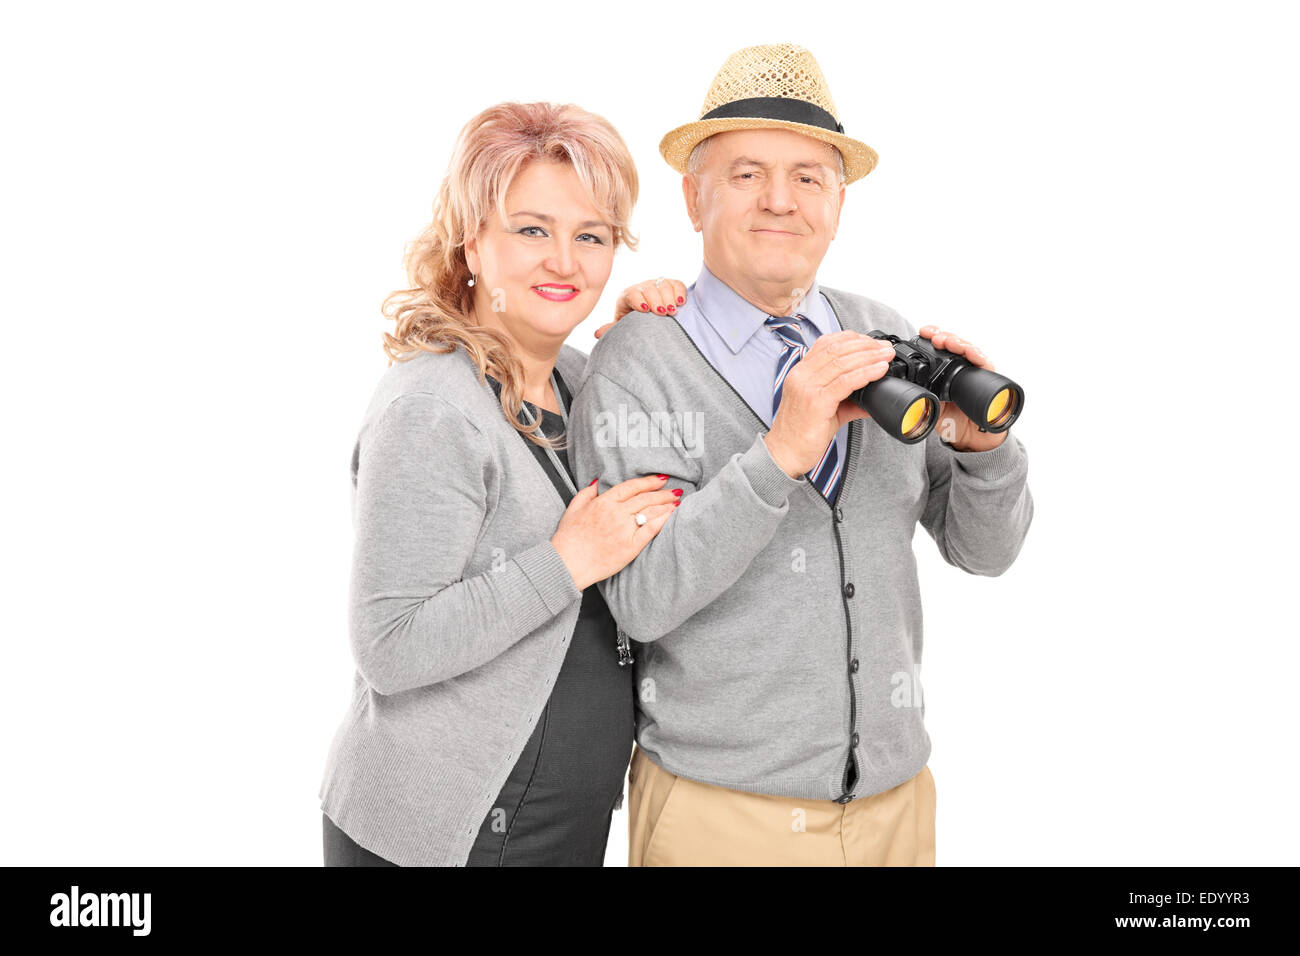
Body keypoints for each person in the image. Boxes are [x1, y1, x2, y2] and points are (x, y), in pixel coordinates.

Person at [568, 43, 1035, 866]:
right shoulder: (639, 360)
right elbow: (639, 601)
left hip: (896, 802)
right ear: (693, 197)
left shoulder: (878, 331)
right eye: (747, 173)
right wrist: (780, 451)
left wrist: (985, 453)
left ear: (839, 202)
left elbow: (984, 553)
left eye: (809, 177)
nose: (780, 201)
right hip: (722, 812)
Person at [318, 101, 682, 867]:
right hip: (439, 838)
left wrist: (652, 351)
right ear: (471, 240)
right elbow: (389, 645)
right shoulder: (433, 407)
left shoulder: (584, 386)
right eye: (532, 230)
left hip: (556, 828)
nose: (565, 262)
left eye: (591, 236)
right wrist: (565, 562)